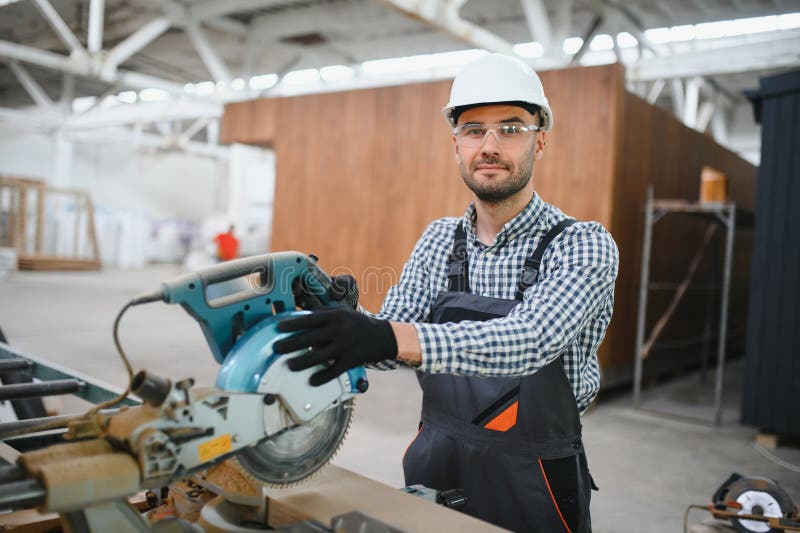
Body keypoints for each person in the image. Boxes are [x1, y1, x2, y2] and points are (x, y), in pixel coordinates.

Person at [274, 53, 618, 533]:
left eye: (511, 128)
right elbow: (389, 346)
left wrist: (387, 337)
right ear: (456, 143)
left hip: (533, 480)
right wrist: (345, 318)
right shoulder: (440, 239)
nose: (490, 145)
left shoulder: (582, 244)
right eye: (474, 129)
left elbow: (531, 340)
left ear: (540, 141)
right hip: (435, 463)